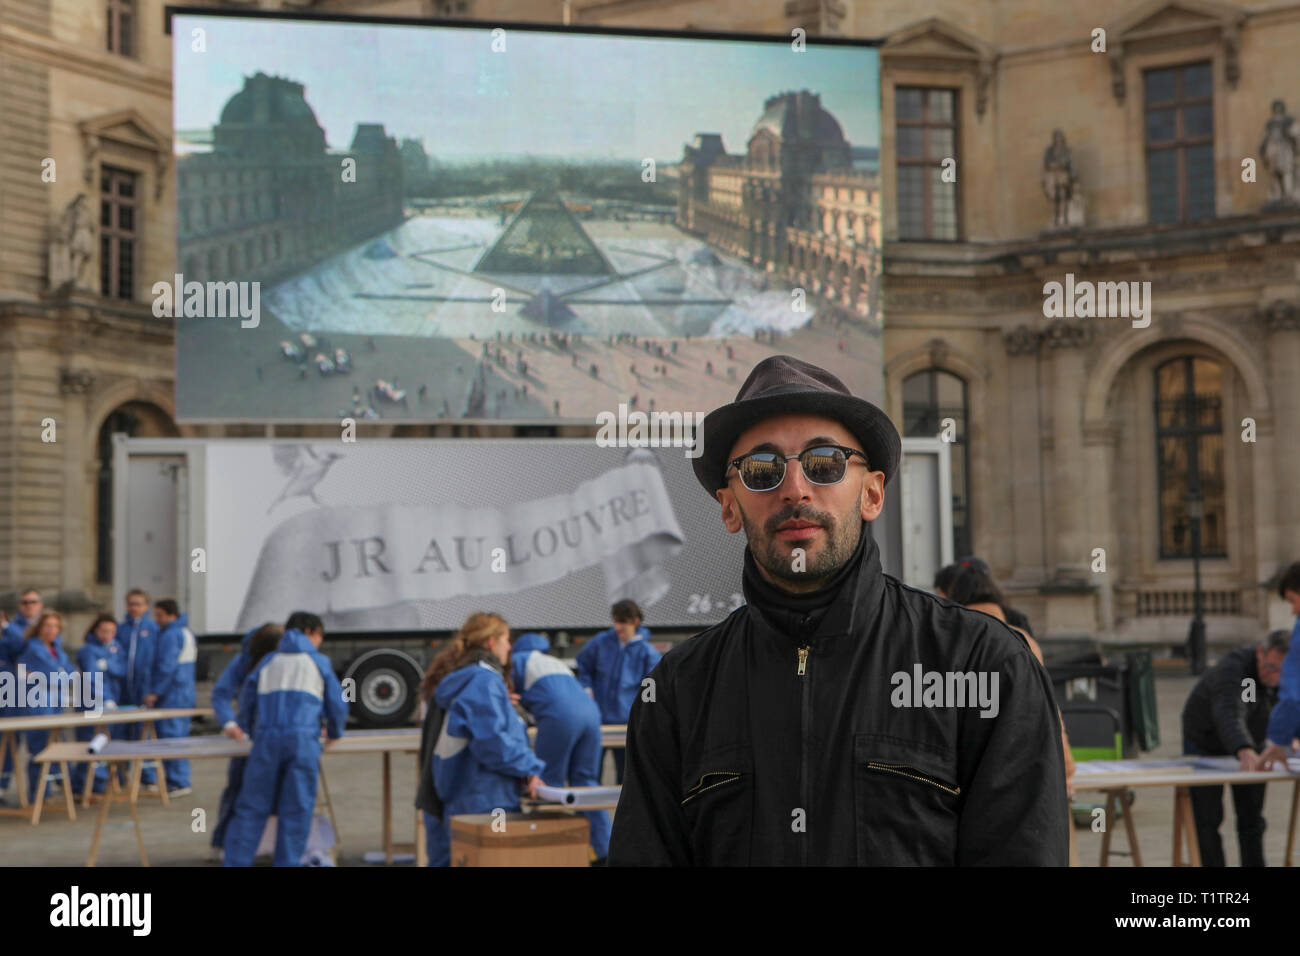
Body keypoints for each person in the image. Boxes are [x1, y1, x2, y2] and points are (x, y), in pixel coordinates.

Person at [609, 355, 1067, 865]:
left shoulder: (983, 666)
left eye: (824, 461)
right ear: (729, 507)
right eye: (762, 470)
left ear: (872, 493)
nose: (795, 489)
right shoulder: (678, 690)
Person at [418, 612, 543, 867]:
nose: (510, 646)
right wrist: (531, 768)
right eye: (506, 639)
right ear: (490, 642)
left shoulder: (463, 679)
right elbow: (492, 743)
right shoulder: (483, 681)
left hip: (461, 798)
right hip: (486, 798)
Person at [223, 612, 347, 867]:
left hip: (266, 742)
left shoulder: (268, 661)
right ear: (312, 632)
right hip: (303, 742)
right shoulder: (318, 662)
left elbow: (247, 699)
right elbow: (337, 703)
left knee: (251, 809)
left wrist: (246, 727)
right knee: (296, 811)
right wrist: (334, 732)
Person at [946, 564, 1076, 793]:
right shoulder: (1022, 640)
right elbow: (1047, 710)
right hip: (1023, 767)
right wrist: (1065, 764)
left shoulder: (949, 640)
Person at [1182, 629, 1289, 866]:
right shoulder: (1234, 669)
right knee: (1207, 818)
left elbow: (1289, 705)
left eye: (1281, 671)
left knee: (1251, 815)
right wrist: (1243, 747)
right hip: (1205, 740)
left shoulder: (1284, 674)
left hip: (1253, 739)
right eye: (1270, 667)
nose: (1274, 676)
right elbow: (1230, 712)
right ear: (1260, 653)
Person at [510, 632, 610, 862]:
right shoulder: (554, 662)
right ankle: (605, 852)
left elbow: (507, 698)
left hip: (561, 718)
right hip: (591, 715)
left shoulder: (518, 660)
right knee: (586, 784)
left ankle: (551, 852)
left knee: (547, 788)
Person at [209, 623, 284, 861]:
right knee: (237, 790)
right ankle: (222, 845)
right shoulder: (245, 659)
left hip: (277, 737)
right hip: (248, 738)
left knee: (281, 792)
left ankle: (270, 844)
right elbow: (222, 693)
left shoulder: (288, 658)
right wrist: (229, 723)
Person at [575, 600, 661, 785]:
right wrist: (586, 687)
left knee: (626, 775)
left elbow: (651, 688)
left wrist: (646, 717)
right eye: (616, 621)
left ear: (635, 621)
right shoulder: (600, 642)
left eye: (624, 622)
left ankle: (625, 812)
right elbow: (584, 668)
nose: (618, 627)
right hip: (597, 719)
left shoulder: (648, 653)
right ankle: (590, 812)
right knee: (590, 770)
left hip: (625, 723)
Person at [17, 612, 74, 803]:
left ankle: (53, 790)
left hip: (56, 704)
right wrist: (61, 676)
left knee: (57, 747)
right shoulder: (33, 649)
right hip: (37, 706)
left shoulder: (57, 649)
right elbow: (49, 676)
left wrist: (62, 676)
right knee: (39, 750)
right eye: (47, 626)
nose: (51, 630)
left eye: (54, 626)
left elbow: (71, 674)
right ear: (39, 628)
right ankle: (38, 794)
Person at [69, 614, 126, 797]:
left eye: (111, 631)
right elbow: (93, 678)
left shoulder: (114, 648)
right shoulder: (88, 650)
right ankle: (85, 786)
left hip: (110, 702)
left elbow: (121, 670)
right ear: (95, 630)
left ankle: (98, 783)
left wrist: (107, 665)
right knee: (89, 744)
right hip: (91, 703)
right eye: (103, 631)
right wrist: (105, 698)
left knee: (104, 743)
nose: (107, 635)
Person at [145, 599, 197, 797]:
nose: (156, 619)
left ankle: (178, 781)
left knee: (171, 738)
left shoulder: (170, 635)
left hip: (172, 694)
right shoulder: (186, 632)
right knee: (178, 737)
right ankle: (178, 779)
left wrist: (155, 692)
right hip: (183, 692)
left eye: (159, 615)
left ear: (170, 615)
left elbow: (166, 667)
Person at [1258, 562, 1300, 772]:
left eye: (1275, 667)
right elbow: (1235, 706)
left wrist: (1279, 738)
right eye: (1269, 666)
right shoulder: (1246, 677)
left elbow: (1294, 697)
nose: (1270, 673)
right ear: (1259, 653)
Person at [117, 588, 159, 789]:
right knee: (121, 732)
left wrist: (152, 689)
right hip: (124, 690)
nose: (134, 607)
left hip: (143, 689)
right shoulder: (120, 629)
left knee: (145, 734)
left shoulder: (153, 629)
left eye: (139, 604)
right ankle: (120, 775)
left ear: (146, 606)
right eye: (131, 603)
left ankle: (147, 777)